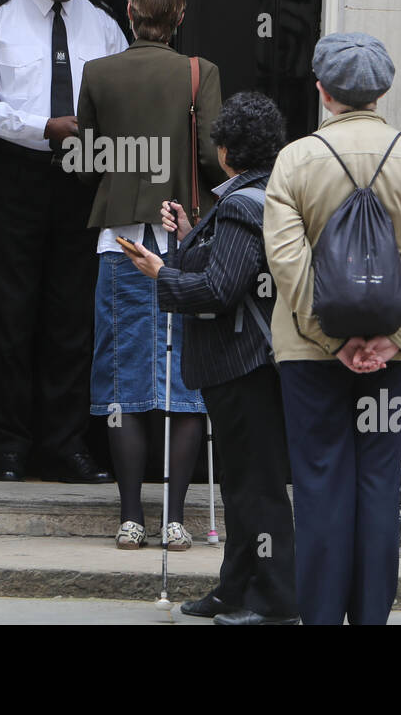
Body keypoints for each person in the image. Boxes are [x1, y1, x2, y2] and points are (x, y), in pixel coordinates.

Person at [263, 33, 401, 625]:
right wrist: (392, 340)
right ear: (383, 91)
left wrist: (332, 340)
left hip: (307, 352)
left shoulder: (295, 160)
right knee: (378, 479)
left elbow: (287, 264)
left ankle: (319, 616)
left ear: (322, 91)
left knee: (320, 483)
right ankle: (372, 617)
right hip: (391, 357)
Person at [0, 0, 127, 483]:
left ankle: (66, 445)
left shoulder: (104, 23)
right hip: (13, 177)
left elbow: (124, 102)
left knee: (72, 317)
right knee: (8, 314)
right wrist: (42, 128)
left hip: (82, 179)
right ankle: (7, 447)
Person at [121, 91, 297, 623]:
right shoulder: (257, 196)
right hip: (240, 367)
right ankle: (235, 590)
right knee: (242, 488)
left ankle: (276, 603)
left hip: (243, 367)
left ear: (226, 152)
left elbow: (220, 290)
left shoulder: (244, 206)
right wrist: (186, 235)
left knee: (258, 491)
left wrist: (160, 273)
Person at [76, 0, 224, 549]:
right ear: (180, 16)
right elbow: (215, 158)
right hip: (181, 238)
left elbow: (87, 157)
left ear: (130, 10)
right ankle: (177, 520)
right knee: (185, 383)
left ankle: (131, 517)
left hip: (120, 241)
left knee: (122, 379)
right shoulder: (199, 72)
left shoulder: (98, 73)